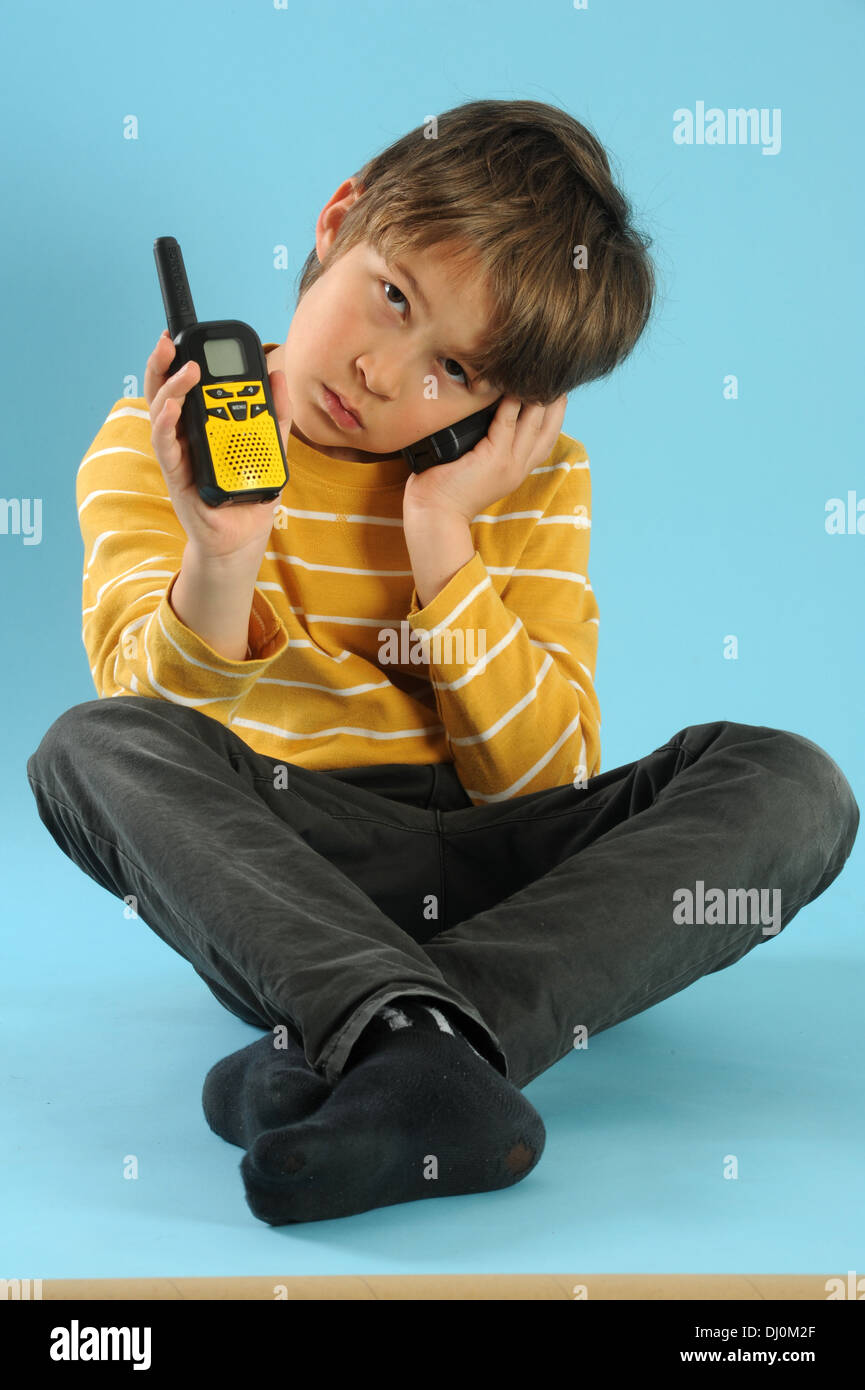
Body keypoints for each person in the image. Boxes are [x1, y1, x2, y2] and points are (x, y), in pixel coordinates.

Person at [26, 99, 859, 1227]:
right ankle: (414, 1042)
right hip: (279, 877)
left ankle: (384, 1050)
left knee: (793, 784)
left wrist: (444, 538)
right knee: (89, 745)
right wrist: (224, 555)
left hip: (491, 865)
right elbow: (154, 724)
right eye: (394, 297)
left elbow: (537, 774)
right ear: (338, 219)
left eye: (454, 369)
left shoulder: (527, 483)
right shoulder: (159, 443)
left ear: (504, 402)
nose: (382, 373)